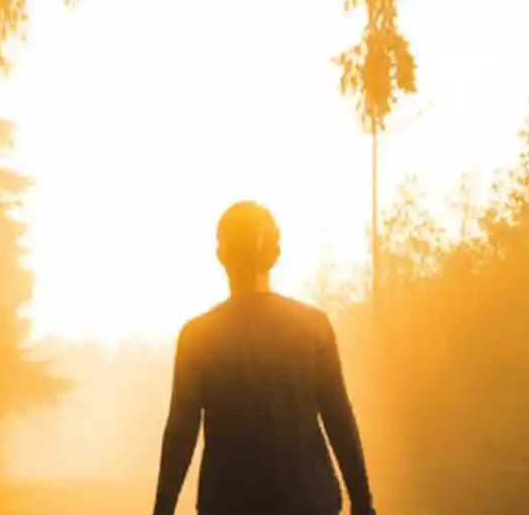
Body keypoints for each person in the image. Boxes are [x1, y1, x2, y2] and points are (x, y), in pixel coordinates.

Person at [152, 201, 375, 515]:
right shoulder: (313, 327)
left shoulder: (198, 337)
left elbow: (181, 431)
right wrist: (363, 503)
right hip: (309, 502)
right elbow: (338, 417)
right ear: (275, 254)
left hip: (230, 504)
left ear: (221, 255)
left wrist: (163, 509)